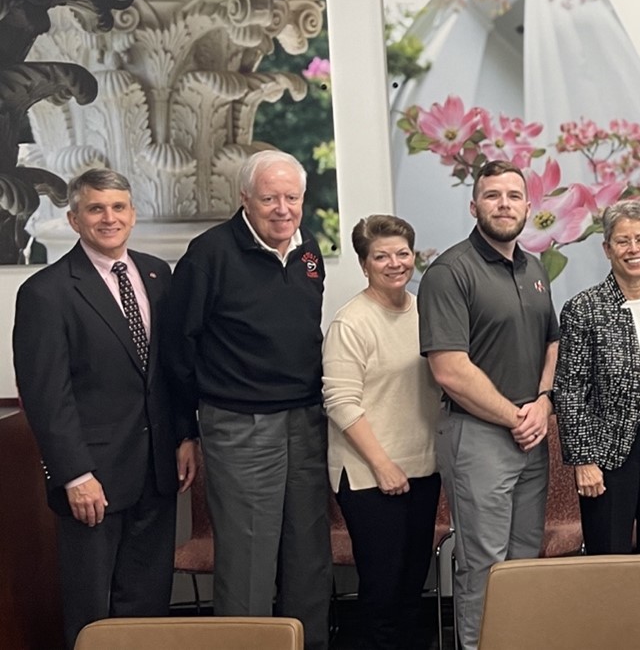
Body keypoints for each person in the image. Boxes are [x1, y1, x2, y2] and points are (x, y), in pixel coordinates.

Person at [12, 169, 197, 649]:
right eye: (96, 208)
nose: (109, 218)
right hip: (93, 479)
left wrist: (184, 437)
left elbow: (171, 369)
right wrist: (74, 475)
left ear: (133, 214)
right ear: (74, 219)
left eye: (118, 207)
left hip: (157, 470)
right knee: (94, 612)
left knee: (148, 605)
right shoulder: (45, 292)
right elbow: (46, 394)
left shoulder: (158, 274)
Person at [166, 149, 330, 649]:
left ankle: (311, 642)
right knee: (248, 557)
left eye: (292, 197)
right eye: (269, 198)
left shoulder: (309, 252)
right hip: (240, 424)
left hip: (306, 419)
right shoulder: (208, 254)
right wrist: (184, 431)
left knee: (309, 552)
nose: (282, 208)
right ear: (244, 199)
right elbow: (176, 351)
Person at [419, 159, 559, 650]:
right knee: (484, 565)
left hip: (530, 433)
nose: (505, 204)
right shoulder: (450, 272)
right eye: (493, 195)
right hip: (478, 437)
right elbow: (449, 368)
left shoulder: (534, 266)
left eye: (514, 195)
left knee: (523, 561)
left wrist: (542, 403)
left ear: (528, 205)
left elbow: (551, 345)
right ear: (474, 204)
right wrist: (514, 416)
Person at [322, 215, 442, 650]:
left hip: (423, 467)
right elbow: (339, 402)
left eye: (402, 253)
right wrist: (383, 464)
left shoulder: (427, 311)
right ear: (364, 264)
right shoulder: (351, 322)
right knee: (383, 587)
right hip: (370, 475)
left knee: (412, 586)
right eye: (381, 256)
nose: (395, 263)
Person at [555, 200, 640, 553]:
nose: (634, 250)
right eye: (622, 241)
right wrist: (583, 460)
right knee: (609, 552)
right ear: (607, 249)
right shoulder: (585, 308)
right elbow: (570, 390)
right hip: (608, 448)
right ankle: (610, 612)